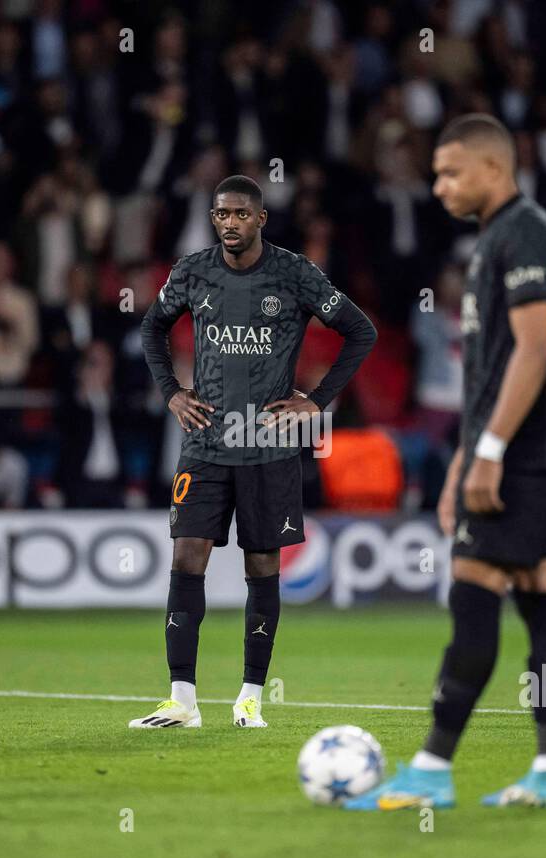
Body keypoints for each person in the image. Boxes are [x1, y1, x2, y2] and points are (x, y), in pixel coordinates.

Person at [346, 114, 546, 812]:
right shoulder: (492, 242)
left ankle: (431, 768)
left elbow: (536, 351)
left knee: (473, 593)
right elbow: (492, 370)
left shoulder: (524, 232)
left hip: (525, 452)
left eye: (450, 172)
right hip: (526, 450)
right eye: (436, 173)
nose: (438, 184)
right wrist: (461, 461)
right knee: (541, 598)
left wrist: (488, 453)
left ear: (493, 168)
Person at [134, 174, 376, 729]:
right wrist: (173, 394)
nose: (229, 223)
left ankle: (249, 698)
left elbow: (360, 332)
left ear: (260, 219)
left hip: (267, 444)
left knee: (262, 565)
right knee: (186, 555)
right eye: (221, 214)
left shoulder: (293, 273)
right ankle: (182, 699)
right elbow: (153, 330)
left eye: (240, 214)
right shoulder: (193, 271)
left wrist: (316, 402)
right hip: (206, 443)